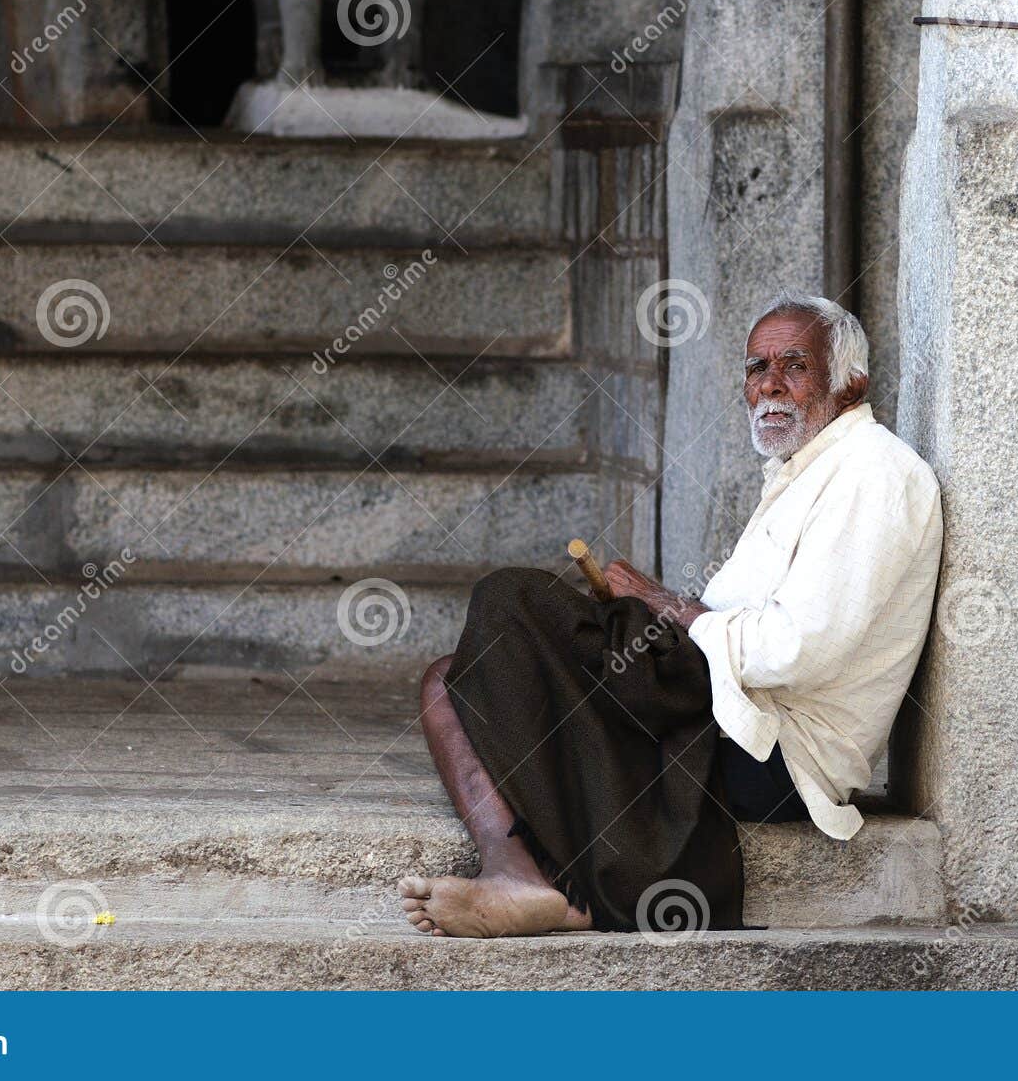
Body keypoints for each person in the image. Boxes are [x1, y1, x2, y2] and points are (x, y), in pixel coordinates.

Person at [399, 293, 943, 937]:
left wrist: (666, 607)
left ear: (850, 383)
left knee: (512, 597)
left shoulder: (874, 472)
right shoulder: (808, 470)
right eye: (756, 367)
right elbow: (737, 630)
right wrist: (651, 614)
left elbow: (797, 649)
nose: (770, 385)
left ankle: (540, 877)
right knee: (453, 680)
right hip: (724, 710)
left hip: (772, 751)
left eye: (795, 365)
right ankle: (515, 874)